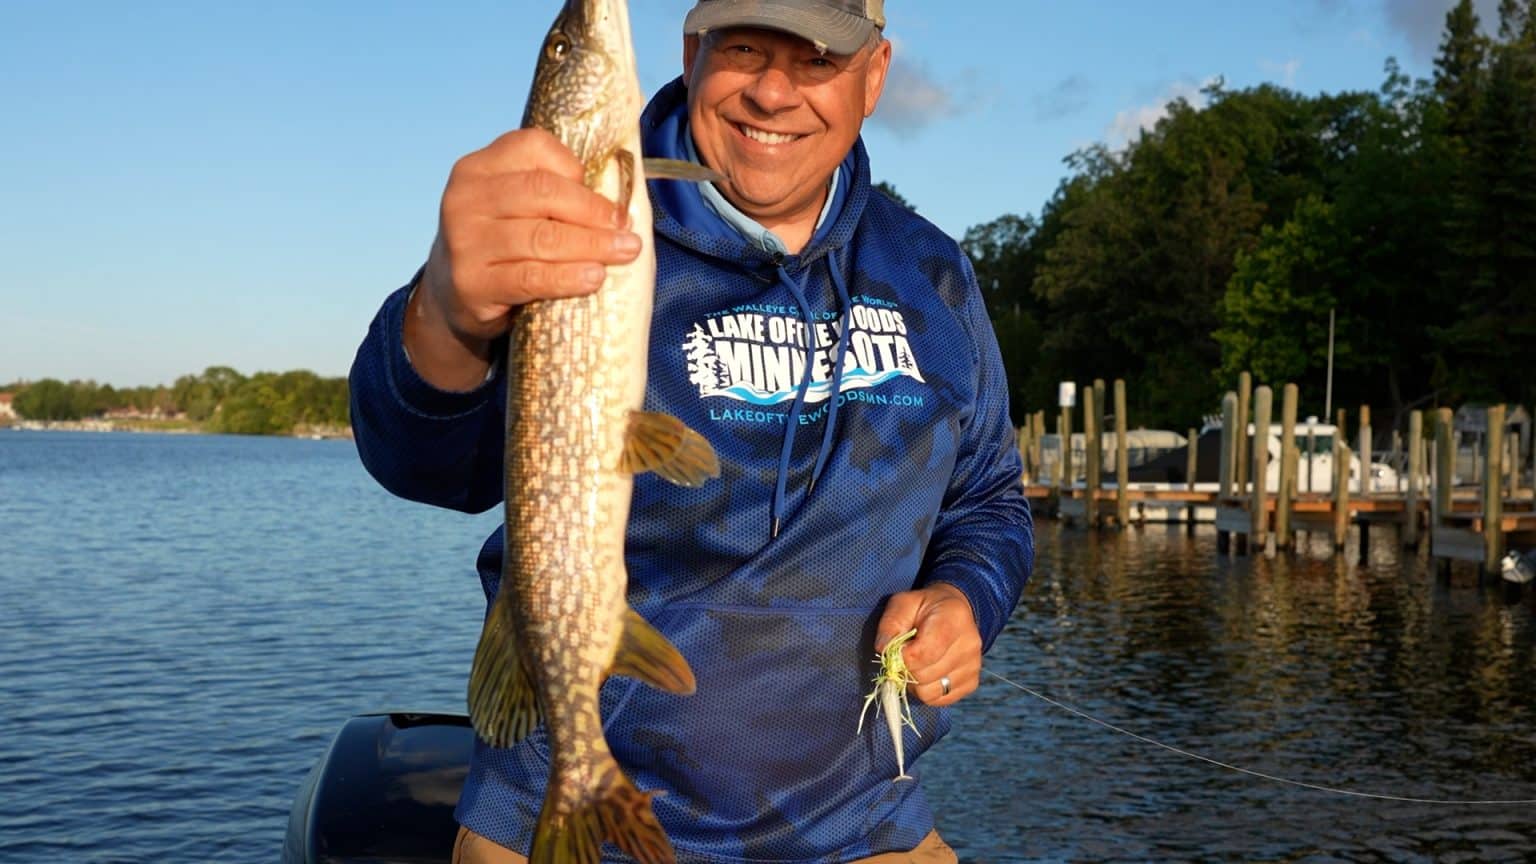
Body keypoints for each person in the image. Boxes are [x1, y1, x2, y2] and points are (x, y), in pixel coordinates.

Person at [349, 1, 1034, 861]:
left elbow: (989, 501)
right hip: (560, 811)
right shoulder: (567, 235)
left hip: (859, 824)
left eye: (817, 57)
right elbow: (425, 464)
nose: (774, 91)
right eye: (745, 46)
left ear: (877, 74)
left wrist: (967, 596)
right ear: (690, 51)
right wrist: (447, 317)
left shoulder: (933, 274)